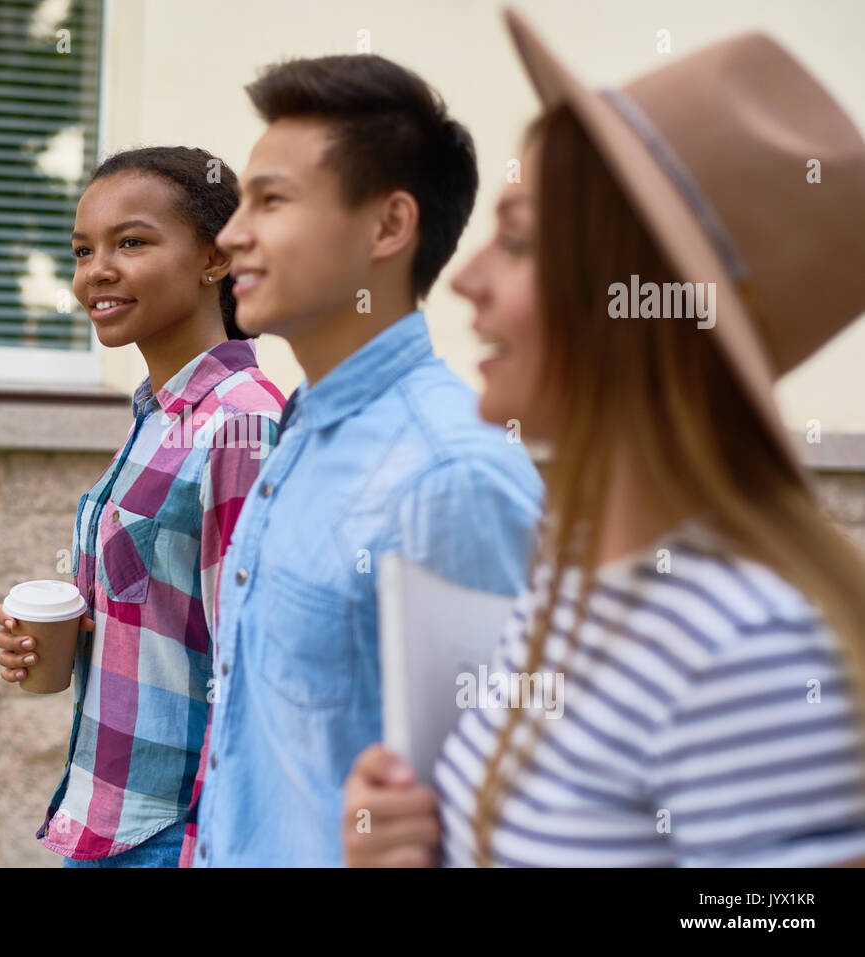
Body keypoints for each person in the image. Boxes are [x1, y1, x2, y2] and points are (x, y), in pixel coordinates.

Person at [343, 9, 865, 867]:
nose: (464, 280)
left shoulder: (747, 650)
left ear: (640, 307)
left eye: (516, 240)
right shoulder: (575, 572)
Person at [184, 54, 544, 868]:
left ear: (388, 227)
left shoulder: (452, 474)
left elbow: (514, 814)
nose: (232, 233)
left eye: (270, 200)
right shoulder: (304, 422)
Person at [0, 146, 285, 866]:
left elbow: (253, 667)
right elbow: (173, 616)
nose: (97, 270)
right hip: (100, 818)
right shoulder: (158, 414)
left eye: (131, 242)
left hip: (174, 836)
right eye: (83, 249)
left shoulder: (241, 424)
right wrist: (71, 630)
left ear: (216, 258)